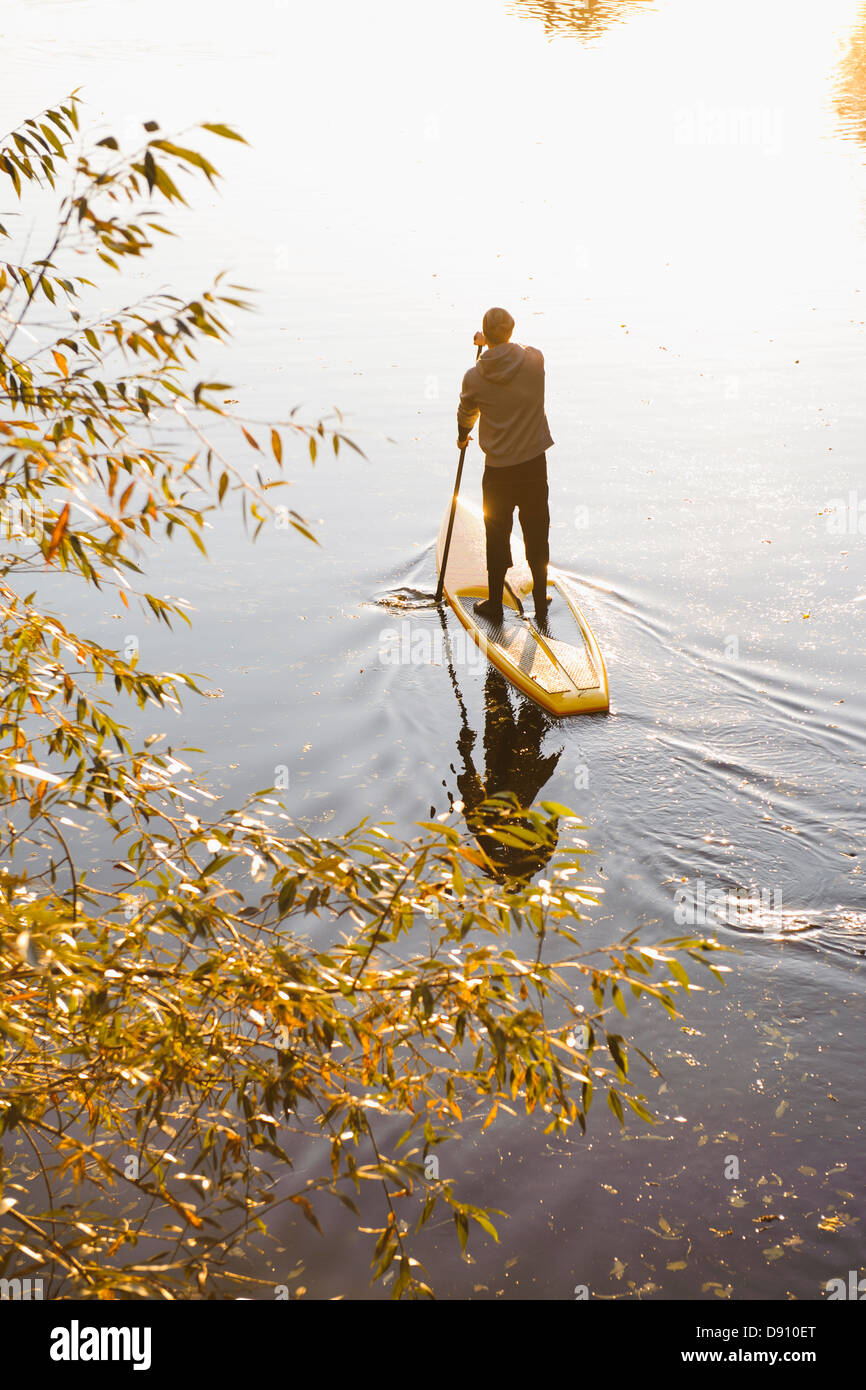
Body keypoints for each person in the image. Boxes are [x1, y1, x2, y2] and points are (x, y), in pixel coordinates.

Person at [456, 307, 554, 626]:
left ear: (487, 334)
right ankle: (540, 602)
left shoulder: (474, 377)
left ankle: (495, 604)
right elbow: (518, 350)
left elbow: (467, 411)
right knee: (537, 532)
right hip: (533, 466)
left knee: (497, 534)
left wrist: (462, 436)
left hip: (498, 471)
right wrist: (497, 342)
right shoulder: (535, 360)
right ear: (511, 331)